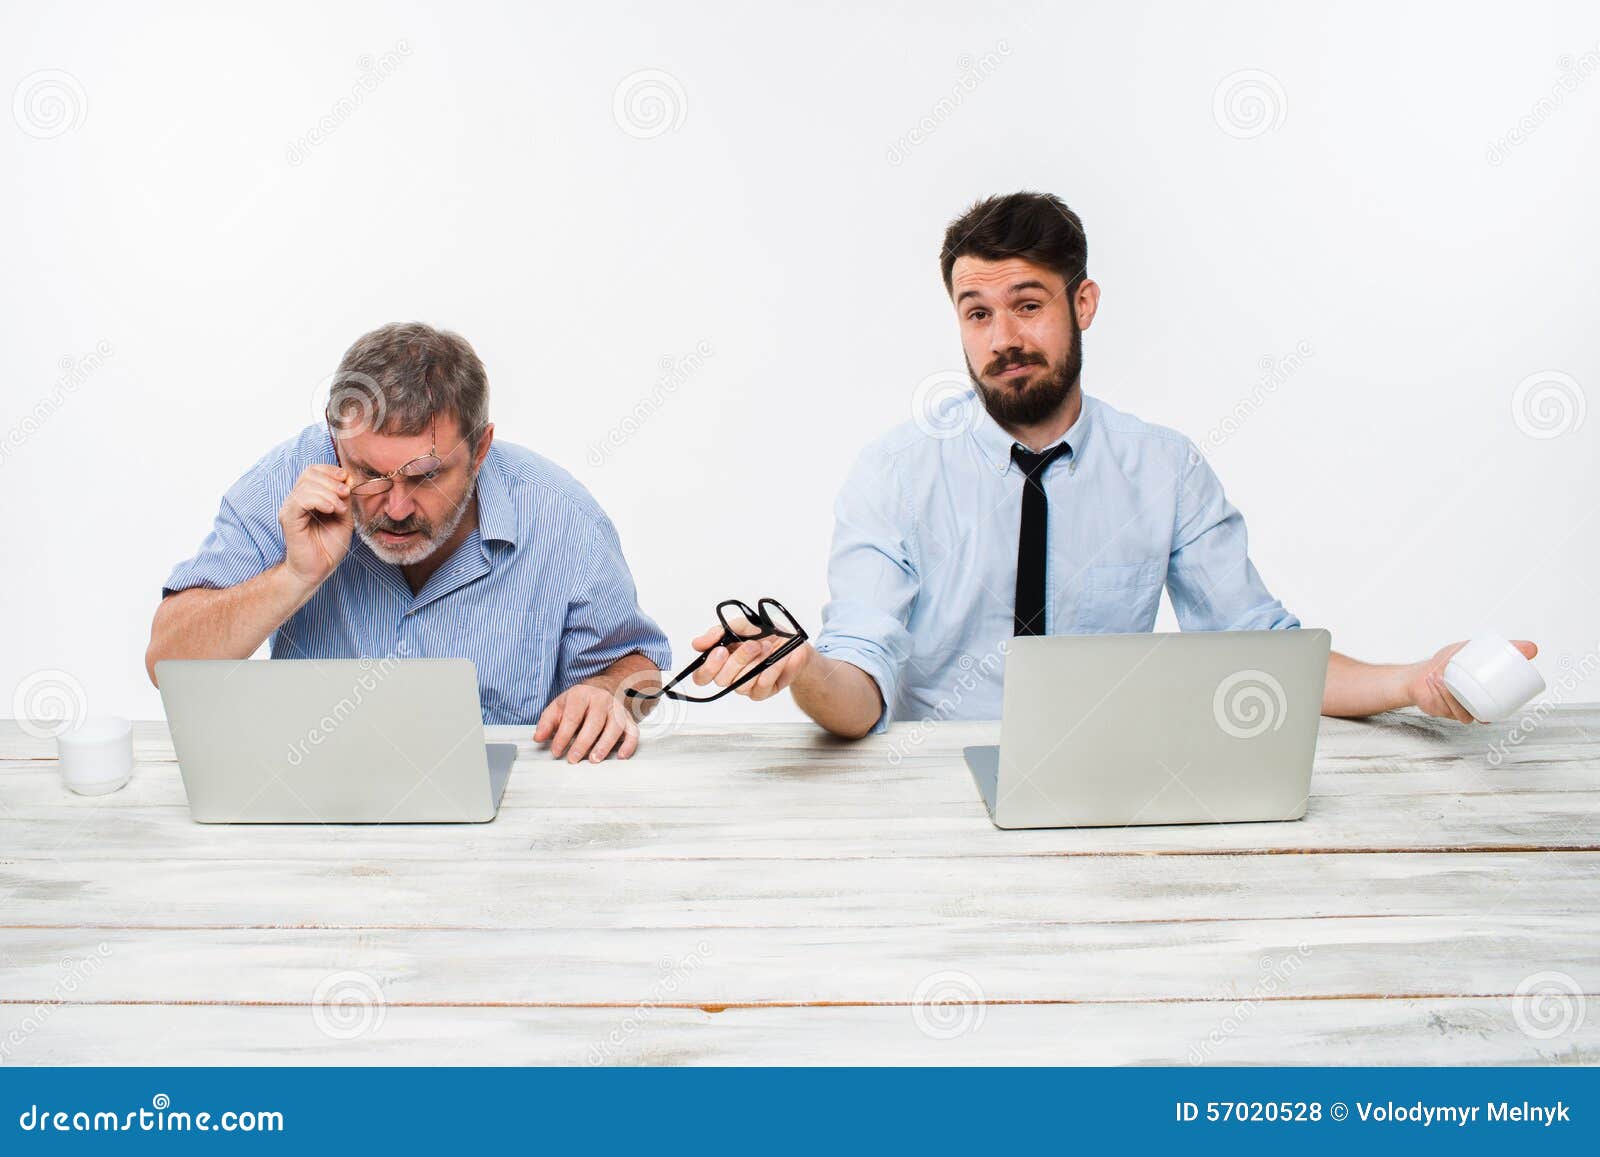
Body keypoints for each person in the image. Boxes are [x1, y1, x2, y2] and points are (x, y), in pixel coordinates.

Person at [686, 191, 1536, 737]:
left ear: (1082, 303)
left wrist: (1413, 679)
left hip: (1099, 794)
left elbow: (1257, 648)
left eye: (1028, 305)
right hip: (923, 794)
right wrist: (803, 668)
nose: (1003, 338)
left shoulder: (1163, 470)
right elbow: (859, 685)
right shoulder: (895, 472)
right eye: (976, 312)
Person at [145, 322, 667, 763]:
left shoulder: (562, 514)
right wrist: (294, 577)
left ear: (481, 448)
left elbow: (637, 668)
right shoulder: (286, 481)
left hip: (510, 821)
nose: (395, 509)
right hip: (316, 797)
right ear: (335, 441)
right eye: (369, 473)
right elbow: (167, 665)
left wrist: (605, 694)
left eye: (425, 477)